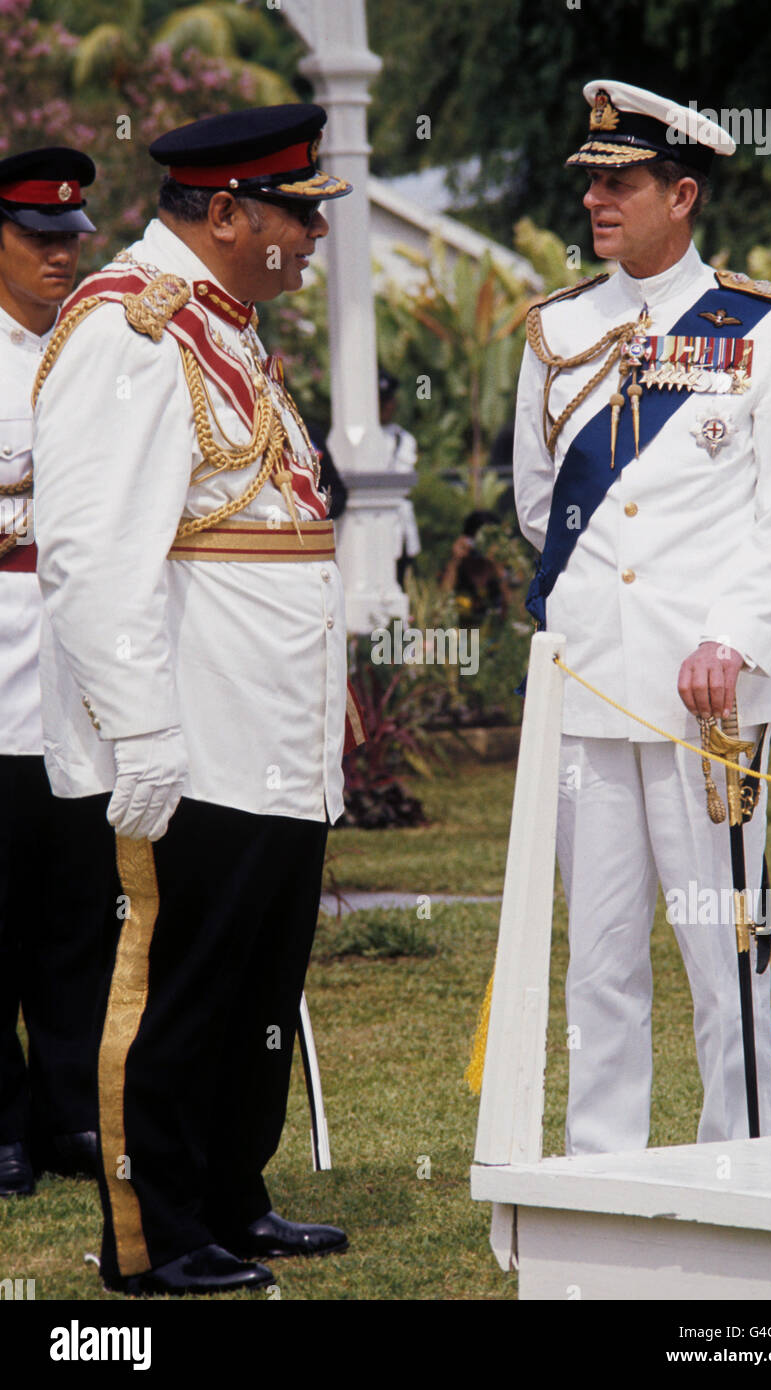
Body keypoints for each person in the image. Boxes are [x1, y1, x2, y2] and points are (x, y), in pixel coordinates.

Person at [33, 105, 354, 1294]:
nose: (310, 238)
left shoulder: (226, 326)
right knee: (180, 986)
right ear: (225, 213)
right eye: (295, 216)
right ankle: (152, 1233)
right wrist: (142, 729)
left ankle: (228, 1191)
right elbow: (89, 552)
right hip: (194, 737)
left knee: (255, 981)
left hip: (266, 733)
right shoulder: (133, 328)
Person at [513, 80, 771, 1155]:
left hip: (708, 705)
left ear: (679, 193)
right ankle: (603, 1179)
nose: (597, 199)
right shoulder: (555, 328)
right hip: (590, 688)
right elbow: (535, 501)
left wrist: (729, 636)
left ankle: (738, 1168)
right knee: (597, 961)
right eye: (590, 180)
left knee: (721, 958)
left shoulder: (762, 330)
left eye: (621, 181)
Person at [0, 147, 118, 1197]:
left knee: (79, 911)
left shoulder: (94, 351)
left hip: (77, 683)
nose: (56, 257)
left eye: (68, 241)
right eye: (37, 238)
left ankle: (69, 1111)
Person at [379, 368, 421, 585]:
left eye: (389, 400)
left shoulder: (403, 439)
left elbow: (402, 481)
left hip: (397, 525)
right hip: (372, 528)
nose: (386, 406)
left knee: (401, 582)